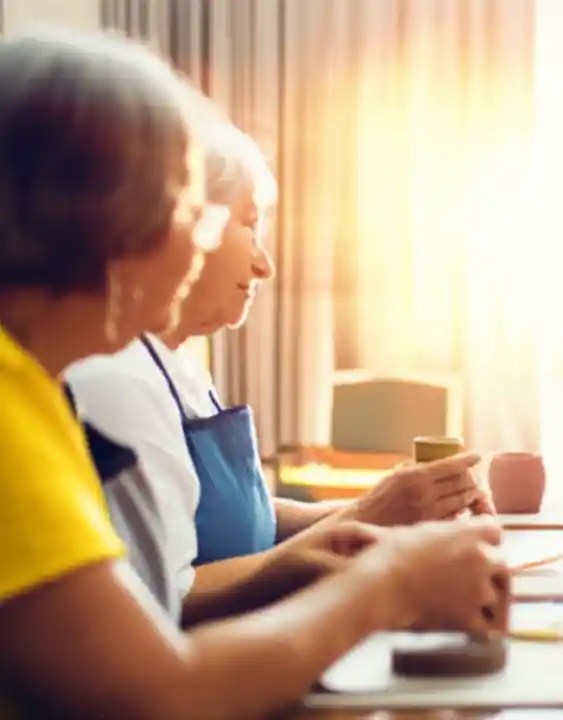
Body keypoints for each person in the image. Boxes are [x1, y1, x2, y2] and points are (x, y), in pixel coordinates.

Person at [0, 29, 507, 719]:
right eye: (186, 210)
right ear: (101, 220)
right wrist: (389, 584)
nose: (202, 240)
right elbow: (162, 694)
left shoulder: (31, 390)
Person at [66, 100, 494, 623]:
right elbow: (166, 603)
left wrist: (400, 508)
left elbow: (252, 522)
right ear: (178, 223)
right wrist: (367, 526)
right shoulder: (115, 381)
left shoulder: (178, 364)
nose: (265, 264)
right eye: (250, 227)